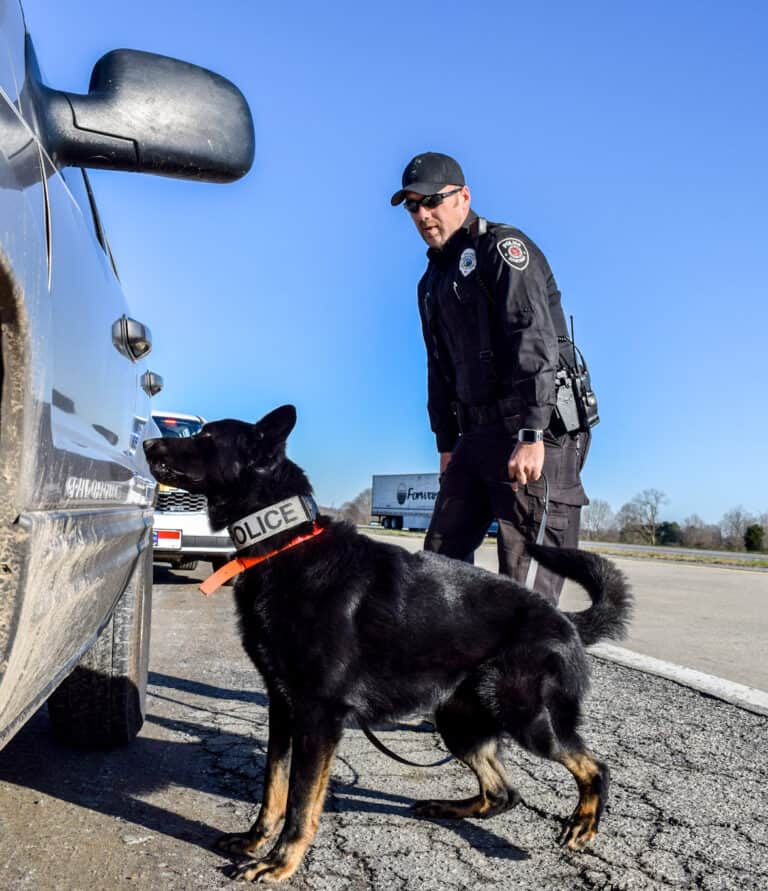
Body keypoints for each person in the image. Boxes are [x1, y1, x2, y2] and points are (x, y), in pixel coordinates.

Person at [391, 151, 589, 605]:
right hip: (477, 433)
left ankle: (524, 676)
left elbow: (533, 341)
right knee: (438, 566)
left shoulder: (500, 249)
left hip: (535, 430)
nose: (422, 214)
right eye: (412, 206)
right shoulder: (432, 281)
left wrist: (531, 433)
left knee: (523, 586)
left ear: (463, 197)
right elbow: (438, 367)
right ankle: (449, 675)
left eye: (432, 201)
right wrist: (446, 445)